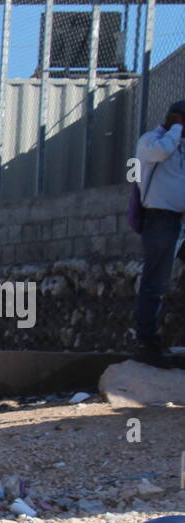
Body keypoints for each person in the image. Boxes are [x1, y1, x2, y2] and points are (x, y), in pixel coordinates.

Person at [132, 101, 185, 368]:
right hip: (160, 219)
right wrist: (176, 129)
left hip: (180, 220)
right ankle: (146, 343)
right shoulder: (151, 141)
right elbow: (161, 153)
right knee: (155, 282)